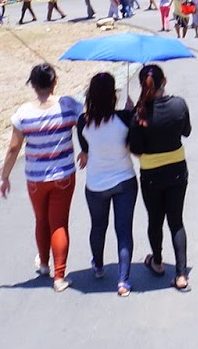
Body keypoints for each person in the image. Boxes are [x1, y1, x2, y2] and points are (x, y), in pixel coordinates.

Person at [0, 63, 82, 292]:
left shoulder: (24, 113)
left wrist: (4, 177)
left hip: (35, 178)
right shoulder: (68, 105)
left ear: (32, 85)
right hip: (63, 174)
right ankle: (59, 277)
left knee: (40, 220)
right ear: (54, 82)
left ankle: (44, 264)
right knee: (59, 223)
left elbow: (14, 148)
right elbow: (85, 123)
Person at [127, 64, 191, 291]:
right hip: (177, 169)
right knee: (176, 220)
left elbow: (136, 150)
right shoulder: (179, 105)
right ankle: (181, 275)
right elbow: (186, 131)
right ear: (164, 81)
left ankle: (157, 261)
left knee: (155, 219)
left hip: (151, 173)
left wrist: (130, 116)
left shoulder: (139, 113)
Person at [77, 71, 137, 296]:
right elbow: (131, 143)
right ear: (114, 94)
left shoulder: (83, 121)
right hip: (124, 179)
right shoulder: (123, 118)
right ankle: (123, 281)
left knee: (98, 227)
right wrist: (131, 112)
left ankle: (99, 266)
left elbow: (85, 150)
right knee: (123, 231)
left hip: (96, 183)